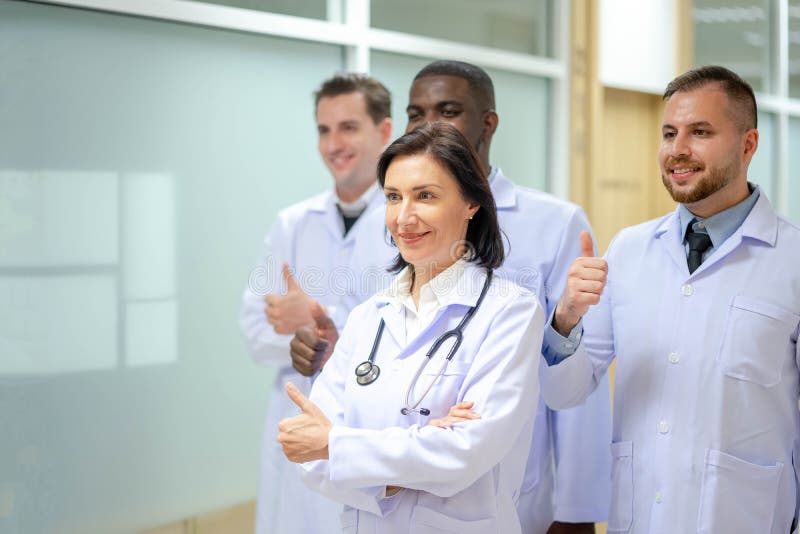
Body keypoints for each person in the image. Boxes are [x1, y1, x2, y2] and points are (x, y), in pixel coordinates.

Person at [540, 65, 800, 533]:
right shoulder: (629, 249)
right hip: (640, 516)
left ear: (748, 145)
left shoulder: (792, 258)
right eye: (668, 133)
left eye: (700, 132)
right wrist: (566, 319)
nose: (677, 149)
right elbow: (565, 392)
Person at [277, 122, 545, 534]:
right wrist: (411, 461)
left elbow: (464, 454)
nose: (404, 218)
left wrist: (339, 446)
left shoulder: (511, 312)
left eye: (425, 196)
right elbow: (312, 463)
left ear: (471, 202)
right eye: (393, 197)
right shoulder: (368, 318)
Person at [404, 61, 611, 533]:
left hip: (518, 487)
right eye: (416, 113)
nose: (429, 124)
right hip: (412, 477)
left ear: (488, 123)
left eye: (448, 110)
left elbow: (579, 376)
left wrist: (577, 509)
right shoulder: (402, 222)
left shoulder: (553, 223)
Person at [239, 73, 395, 534]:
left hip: (371, 424)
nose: (333, 144)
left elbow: (407, 332)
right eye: (324, 130)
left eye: (348, 127)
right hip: (297, 414)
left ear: (384, 131)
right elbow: (255, 331)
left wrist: (316, 319)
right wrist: (306, 335)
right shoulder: (292, 224)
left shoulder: (405, 221)